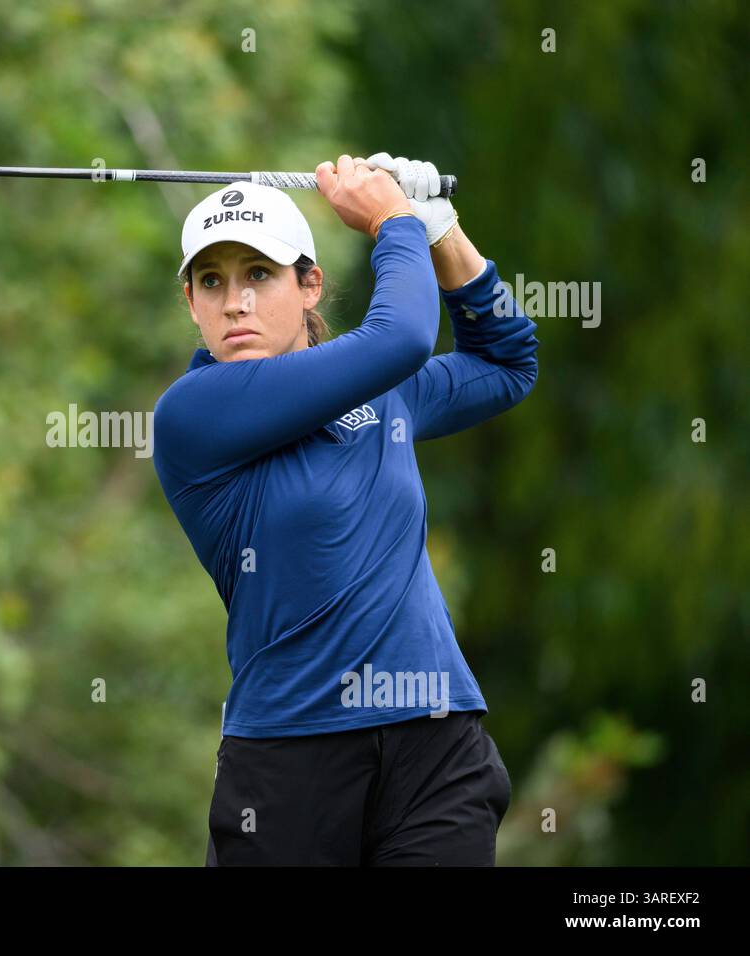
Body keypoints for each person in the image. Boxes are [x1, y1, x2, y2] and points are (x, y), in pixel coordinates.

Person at [151, 153, 538, 866]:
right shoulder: (191, 416)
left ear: (310, 286)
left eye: (258, 275)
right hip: (290, 760)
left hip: (436, 743)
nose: (235, 302)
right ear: (192, 304)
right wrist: (392, 219)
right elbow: (402, 336)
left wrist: (439, 227)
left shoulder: (380, 395)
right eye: (213, 282)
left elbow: (509, 361)